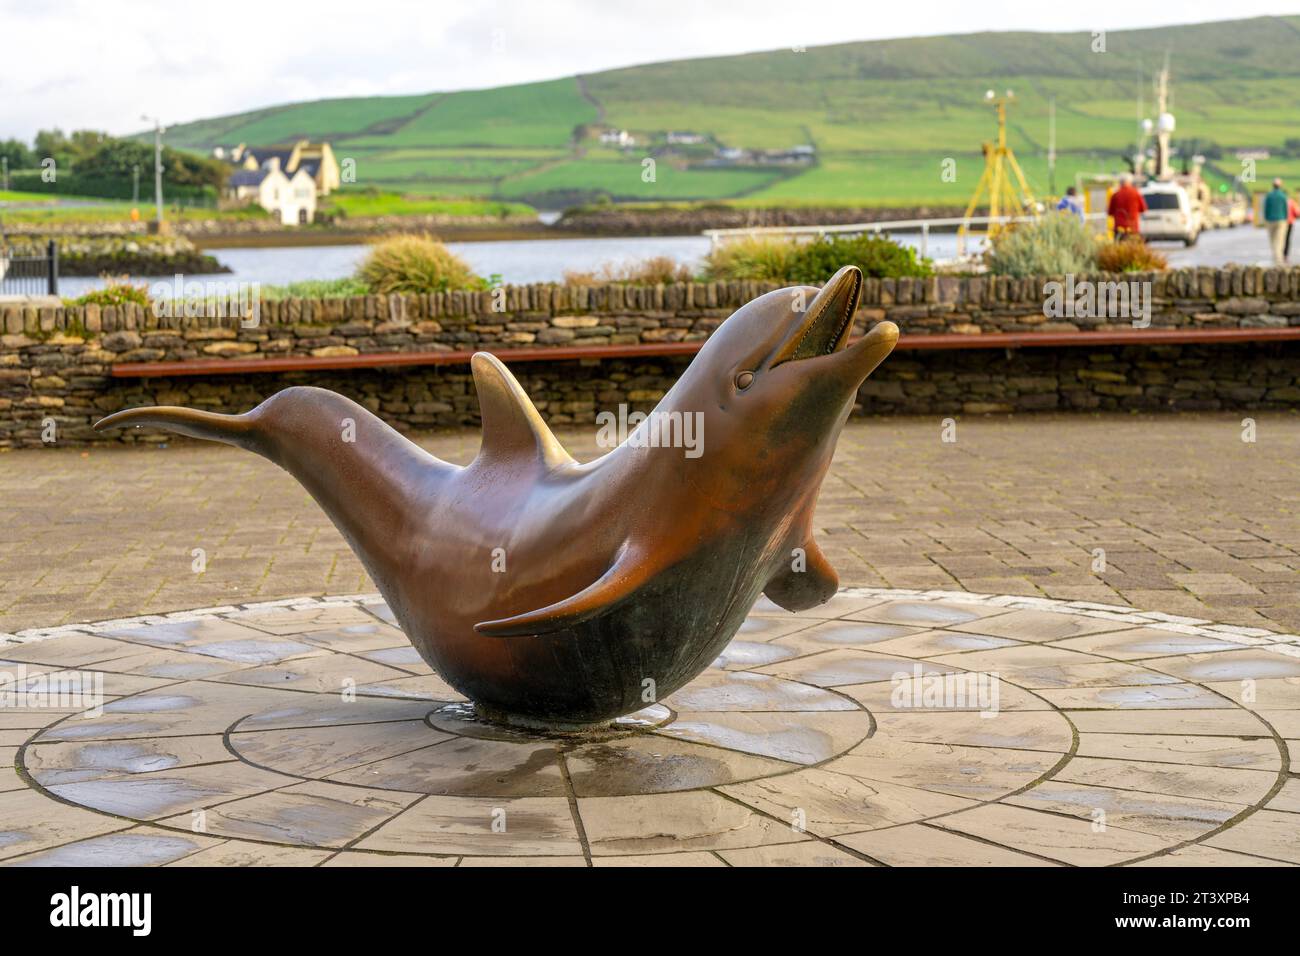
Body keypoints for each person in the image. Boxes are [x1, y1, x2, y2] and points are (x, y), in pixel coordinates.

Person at [1107, 173, 1147, 240]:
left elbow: (1110, 212)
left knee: (1119, 248)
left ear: (1120, 182)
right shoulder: (1136, 193)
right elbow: (1143, 209)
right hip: (1133, 227)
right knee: (1133, 247)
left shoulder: (1116, 195)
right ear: (1130, 182)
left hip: (1119, 228)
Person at [1263, 178, 1289, 265]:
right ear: (1280, 185)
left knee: (1272, 240)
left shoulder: (1269, 195)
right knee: (1280, 240)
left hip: (1270, 220)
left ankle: (1275, 258)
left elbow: (1266, 209)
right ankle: (1279, 259)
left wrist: (1266, 219)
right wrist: (1286, 219)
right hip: (1281, 220)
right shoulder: (1283, 195)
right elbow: (1286, 209)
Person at [1285, 188, 1300, 262]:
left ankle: (1280, 254)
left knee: (1281, 239)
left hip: (1282, 222)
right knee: (1287, 239)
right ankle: (1286, 255)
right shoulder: (1291, 202)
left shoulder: (1282, 202)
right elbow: (1297, 213)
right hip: (1290, 222)